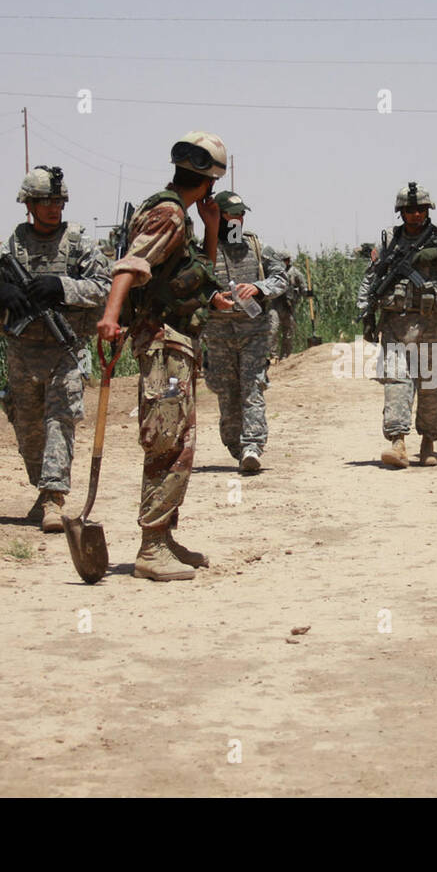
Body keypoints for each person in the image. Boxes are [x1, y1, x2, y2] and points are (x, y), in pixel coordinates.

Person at [95, 131, 225, 581]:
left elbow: (197, 277)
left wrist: (211, 228)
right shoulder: (168, 214)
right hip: (163, 344)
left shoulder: (180, 216)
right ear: (210, 182)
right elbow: (132, 264)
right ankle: (151, 547)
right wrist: (110, 318)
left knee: (181, 442)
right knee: (167, 441)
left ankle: (164, 537)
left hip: (176, 342)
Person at [0, 166, 111, 531]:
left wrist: (62, 286)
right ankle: (43, 489)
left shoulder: (78, 244)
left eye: (58, 201)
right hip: (22, 350)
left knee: (60, 419)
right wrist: (0, 292)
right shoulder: (13, 245)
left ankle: (54, 497)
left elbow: (103, 286)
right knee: (28, 427)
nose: (53, 208)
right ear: (30, 204)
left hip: (64, 349)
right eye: (45, 201)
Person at [357, 182, 437, 468]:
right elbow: (372, 278)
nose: (415, 215)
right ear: (401, 212)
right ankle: (398, 443)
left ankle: (428, 442)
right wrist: (365, 313)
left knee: (431, 388)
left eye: (420, 209)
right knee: (396, 383)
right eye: (409, 210)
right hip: (396, 324)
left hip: (432, 325)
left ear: (428, 210)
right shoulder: (388, 241)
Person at [200, 190, 288, 473]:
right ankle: (236, 445)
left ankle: (252, 446)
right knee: (226, 391)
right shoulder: (204, 250)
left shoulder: (257, 247)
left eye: (241, 214)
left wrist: (260, 288)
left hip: (253, 330)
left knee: (252, 386)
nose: (237, 219)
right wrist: (211, 295)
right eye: (231, 215)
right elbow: (190, 283)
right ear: (218, 217)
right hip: (217, 331)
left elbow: (280, 278)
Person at [267, 246, 305, 361]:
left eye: (286, 260)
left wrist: (299, 295)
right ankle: (273, 355)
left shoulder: (295, 272)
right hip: (275, 304)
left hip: (288, 306)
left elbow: (303, 287)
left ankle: (286, 356)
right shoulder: (273, 271)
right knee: (273, 329)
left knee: (288, 331)